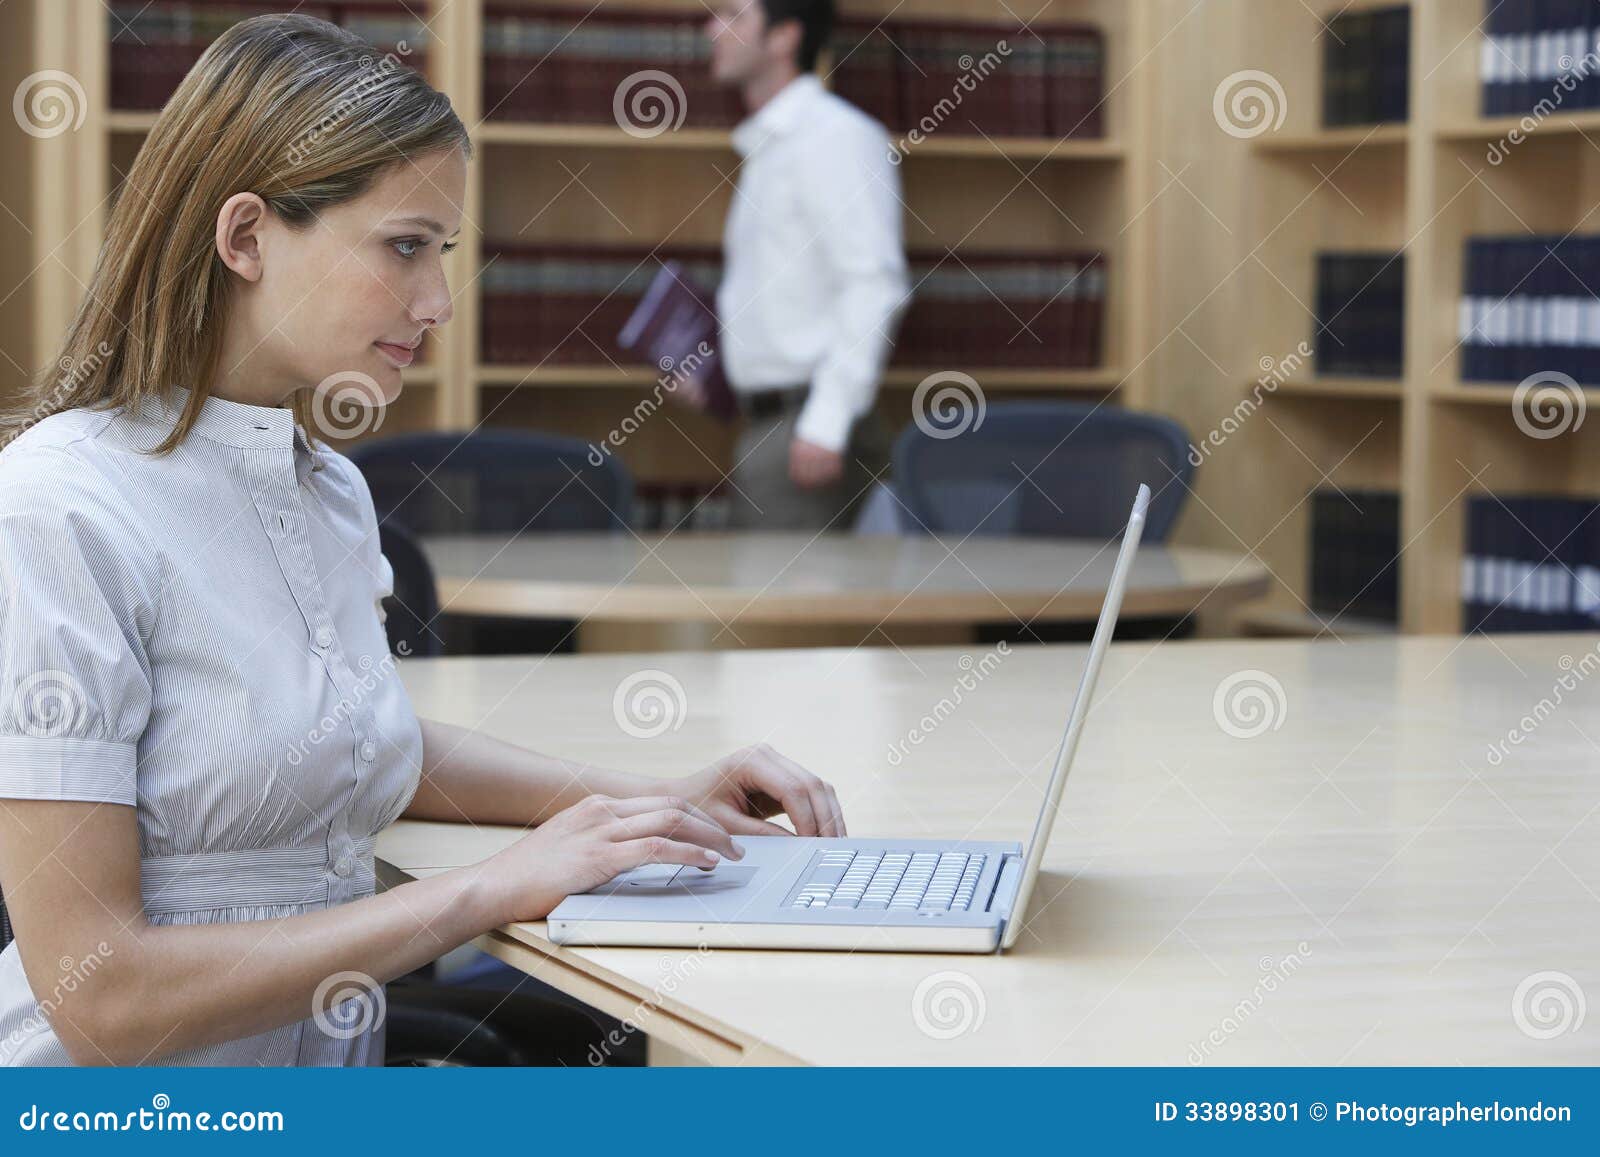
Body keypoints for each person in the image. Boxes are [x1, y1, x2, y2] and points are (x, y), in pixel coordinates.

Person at [0, 13, 845, 1068]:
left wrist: (646, 798)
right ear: (247, 236)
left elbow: (362, 740)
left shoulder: (329, 489)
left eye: (441, 254)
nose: (438, 300)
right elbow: (102, 1000)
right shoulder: (60, 504)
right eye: (405, 246)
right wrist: (492, 886)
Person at [703, 0, 910, 530]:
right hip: (771, 428)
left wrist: (827, 421)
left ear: (784, 37)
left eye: (732, 15)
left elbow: (873, 284)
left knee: (791, 608)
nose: (711, 29)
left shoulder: (833, 136)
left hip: (808, 430)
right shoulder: (770, 147)